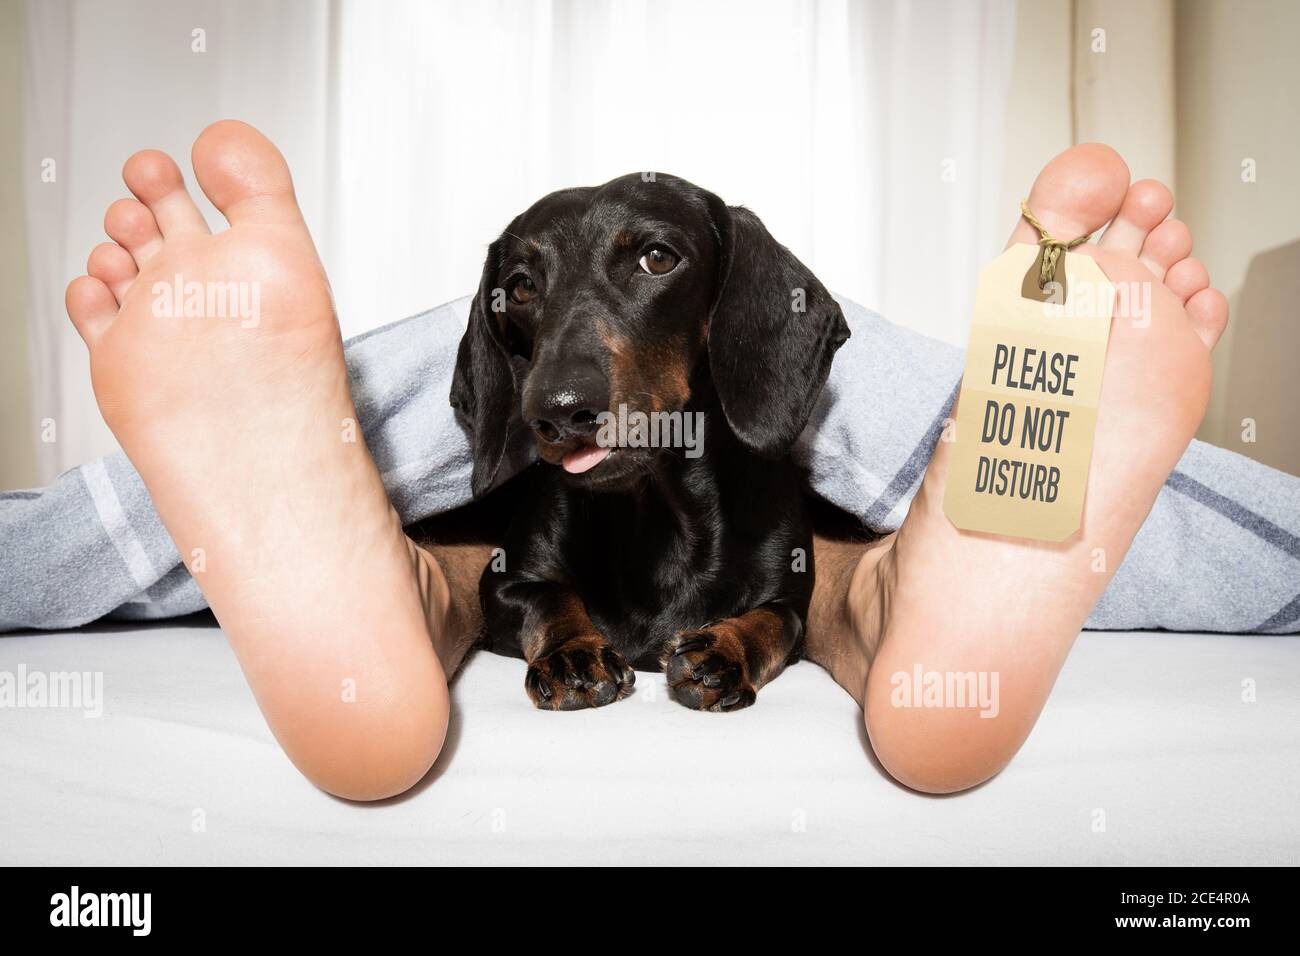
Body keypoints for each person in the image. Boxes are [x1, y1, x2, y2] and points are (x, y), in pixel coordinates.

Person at [62, 121, 1230, 800]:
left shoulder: (754, 334)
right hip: (552, 521)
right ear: (502, 324)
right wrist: (554, 612)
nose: (564, 367)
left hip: (763, 500)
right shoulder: (532, 399)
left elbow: (776, 420)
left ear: (728, 297)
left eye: (651, 259)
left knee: (796, 559)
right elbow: (511, 436)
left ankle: (888, 573)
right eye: (528, 291)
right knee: (495, 532)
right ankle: (374, 539)